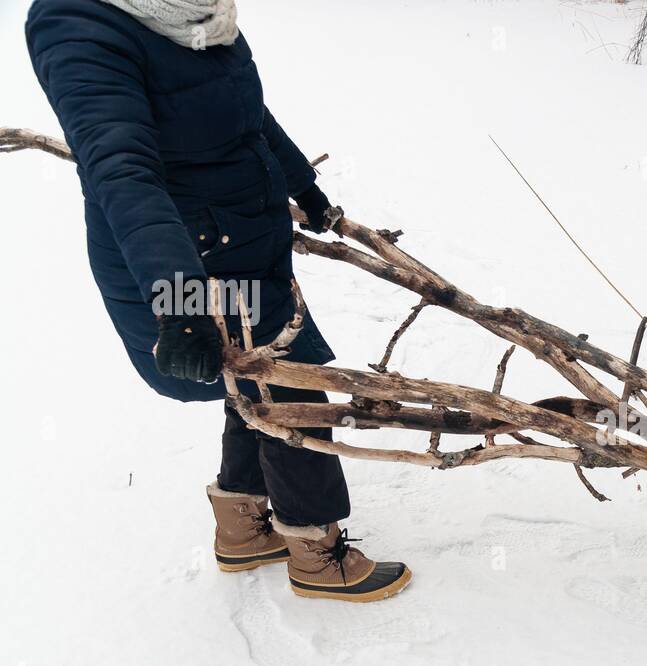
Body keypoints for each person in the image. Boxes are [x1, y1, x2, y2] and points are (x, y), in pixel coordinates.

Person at [26, 0, 411, 602]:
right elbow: (123, 173)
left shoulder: (195, 10)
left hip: (243, 238)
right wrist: (181, 305)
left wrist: (304, 186)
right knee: (291, 385)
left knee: (258, 378)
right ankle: (317, 552)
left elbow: (246, 115)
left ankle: (243, 526)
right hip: (185, 261)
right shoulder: (79, 24)